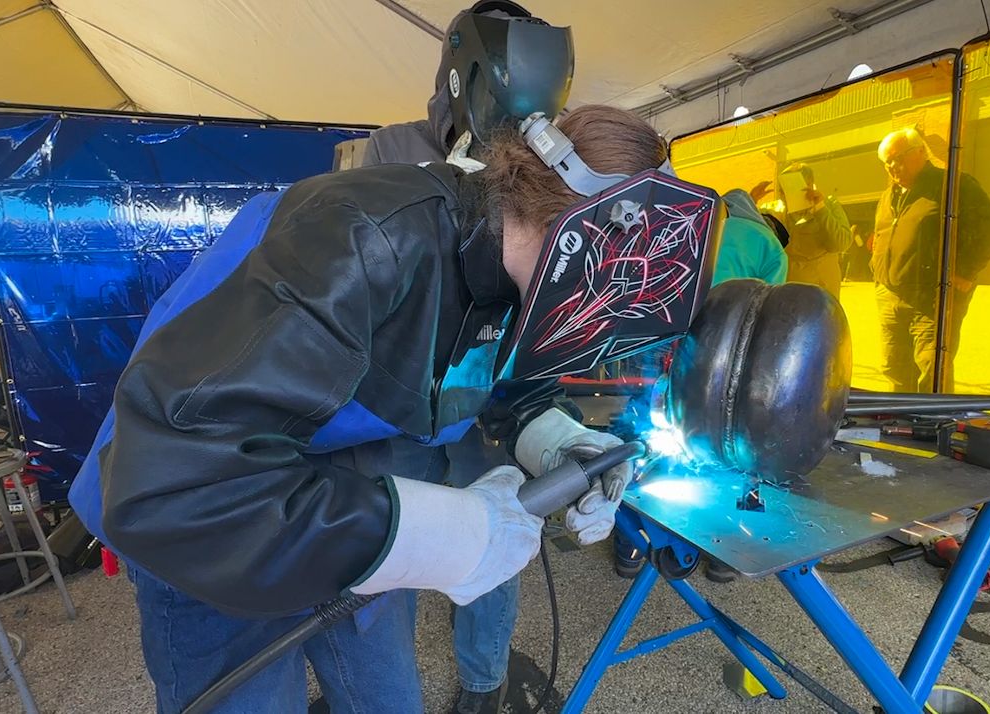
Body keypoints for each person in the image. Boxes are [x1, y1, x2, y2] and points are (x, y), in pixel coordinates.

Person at [66, 105, 671, 714]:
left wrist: (556, 439)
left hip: (344, 489)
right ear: (580, 233)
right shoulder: (362, 236)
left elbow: (486, 375)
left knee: (386, 700)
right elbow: (180, 483)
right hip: (205, 510)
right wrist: (454, 533)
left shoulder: (514, 269)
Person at [358, 3, 574, 711]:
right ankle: (380, 686)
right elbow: (374, 280)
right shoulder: (392, 148)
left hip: (487, 392)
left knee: (494, 542)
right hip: (400, 400)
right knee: (385, 541)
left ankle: (483, 685)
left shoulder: (538, 165)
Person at [611, 188, 788, 583]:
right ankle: (728, 551)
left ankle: (630, 540)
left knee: (643, 424)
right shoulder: (769, 244)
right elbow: (773, 319)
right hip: (721, 353)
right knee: (733, 439)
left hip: (659, 336)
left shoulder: (698, 221)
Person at [871, 128, 990, 393]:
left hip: (931, 300)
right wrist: (877, 268)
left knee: (932, 371)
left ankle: (932, 419)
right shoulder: (889, 196)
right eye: (887, 162)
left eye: (897, 158)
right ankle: (899, 416)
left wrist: (965, 271)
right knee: (895, 369)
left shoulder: (953, 186)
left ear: (921, 151)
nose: (892, 167)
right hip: (891, 297)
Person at [753, 163, 851, 298]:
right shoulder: (776, 211)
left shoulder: (828, 205)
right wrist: (750, 200)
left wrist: (820, 209)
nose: (784, 195)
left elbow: (840, 243)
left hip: (820, 295)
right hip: (787, 293)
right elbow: (744, 230)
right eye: (782, 189)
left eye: (791, 187)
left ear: (809, 185)